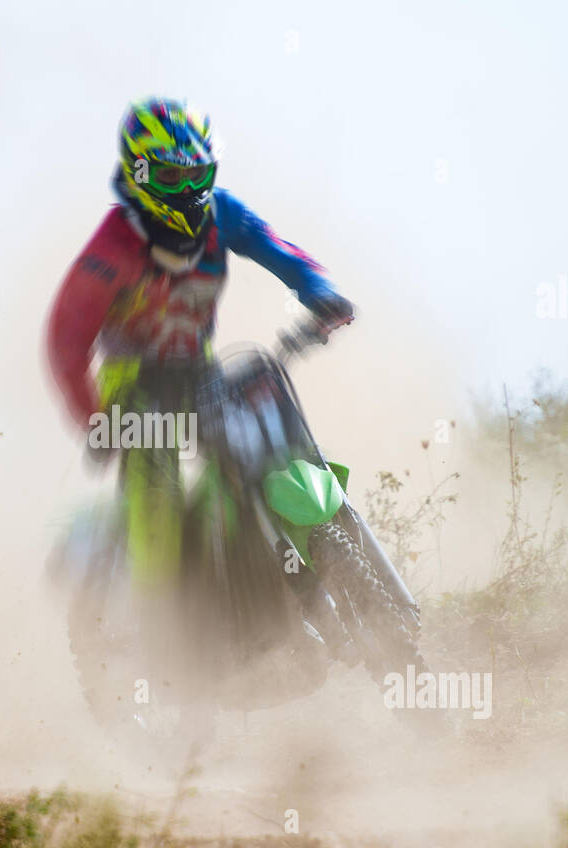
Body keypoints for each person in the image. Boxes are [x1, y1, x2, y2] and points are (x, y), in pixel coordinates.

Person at [46, 96, 354, 584]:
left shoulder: (221, 215)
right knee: (158, 491)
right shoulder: (108, 252)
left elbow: (280, 252)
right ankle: (160, 622)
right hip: (133, 388)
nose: (189, 189)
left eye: (199, 175)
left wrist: (321, 290)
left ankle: (280, 565)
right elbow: (65, 343)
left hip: (200, 372)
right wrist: (95, 420)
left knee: (269, 444)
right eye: (172, 178)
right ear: (140, 174)